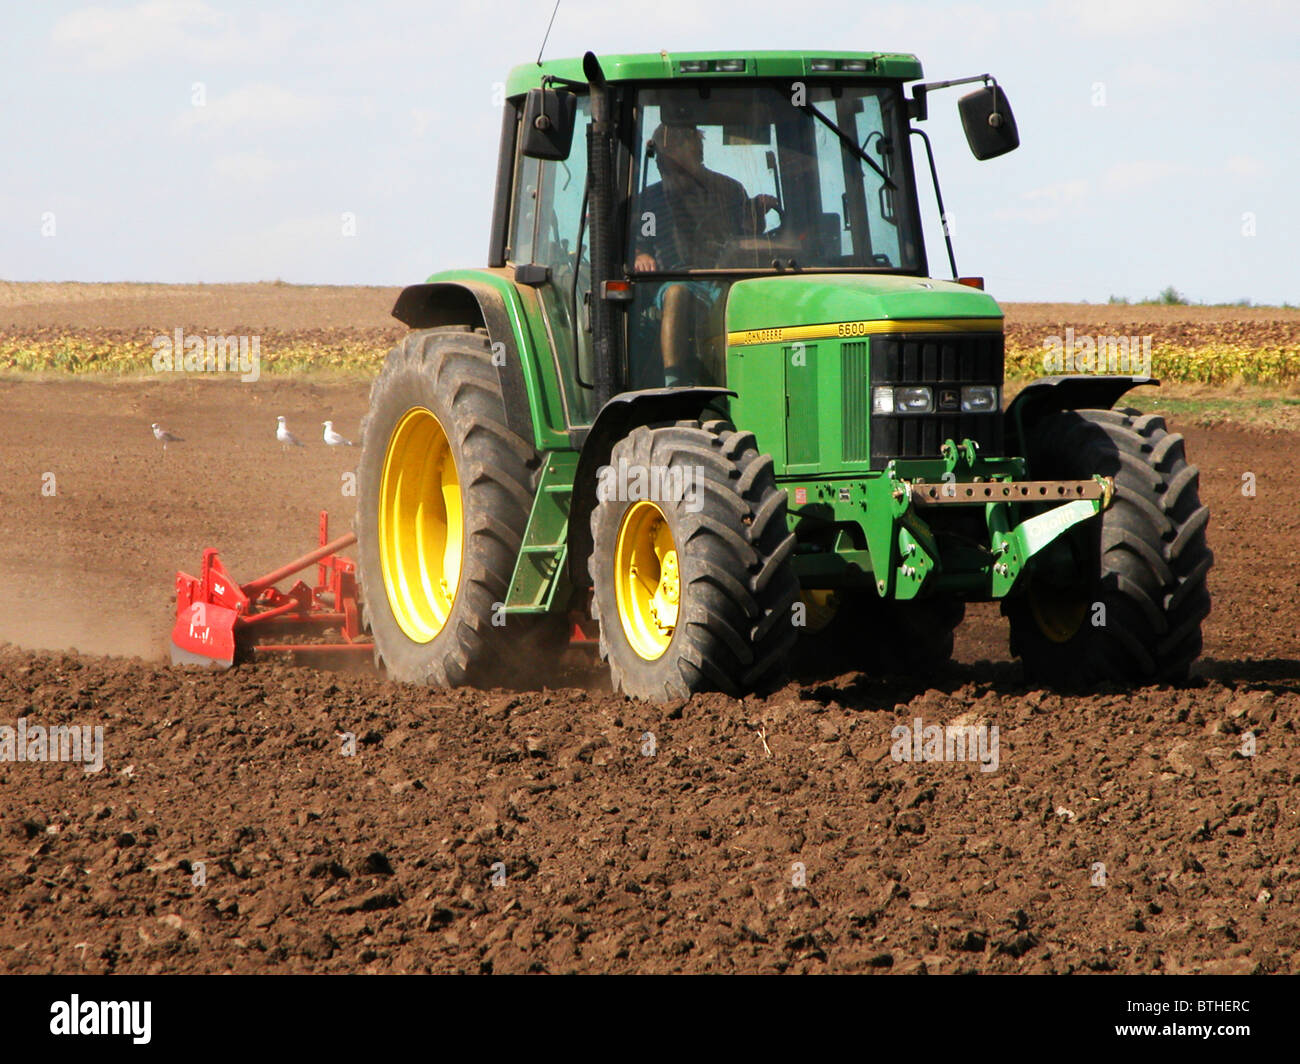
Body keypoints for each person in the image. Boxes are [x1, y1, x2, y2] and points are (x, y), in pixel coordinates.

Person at [633, 123, 779, 386]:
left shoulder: (729, 190)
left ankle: (755, 380)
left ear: (696, 153)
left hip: (724, 278)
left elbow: (746, 235)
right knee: (677, 294)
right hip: (676, 278)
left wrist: (757, 209)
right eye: (664, 159)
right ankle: (674, 384)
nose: (667, 166)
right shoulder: (652, 201)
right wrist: (642, 254)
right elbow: (644, 239)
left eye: (676, 157)